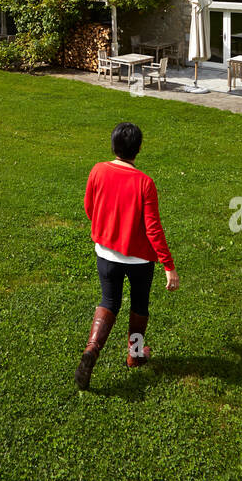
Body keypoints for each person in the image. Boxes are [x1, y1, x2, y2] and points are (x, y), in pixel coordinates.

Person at [75, 121, 178, 390]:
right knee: (139, 305)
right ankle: (134, 356)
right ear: (139, 148)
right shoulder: (145, 183)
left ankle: (91, 351)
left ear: (113, 146)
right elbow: (153, 228)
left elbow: (89, 206)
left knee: (109, 300)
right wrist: (168, 265)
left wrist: (103, 229)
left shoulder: (98, 170)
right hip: (140, 261)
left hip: (106, 253)